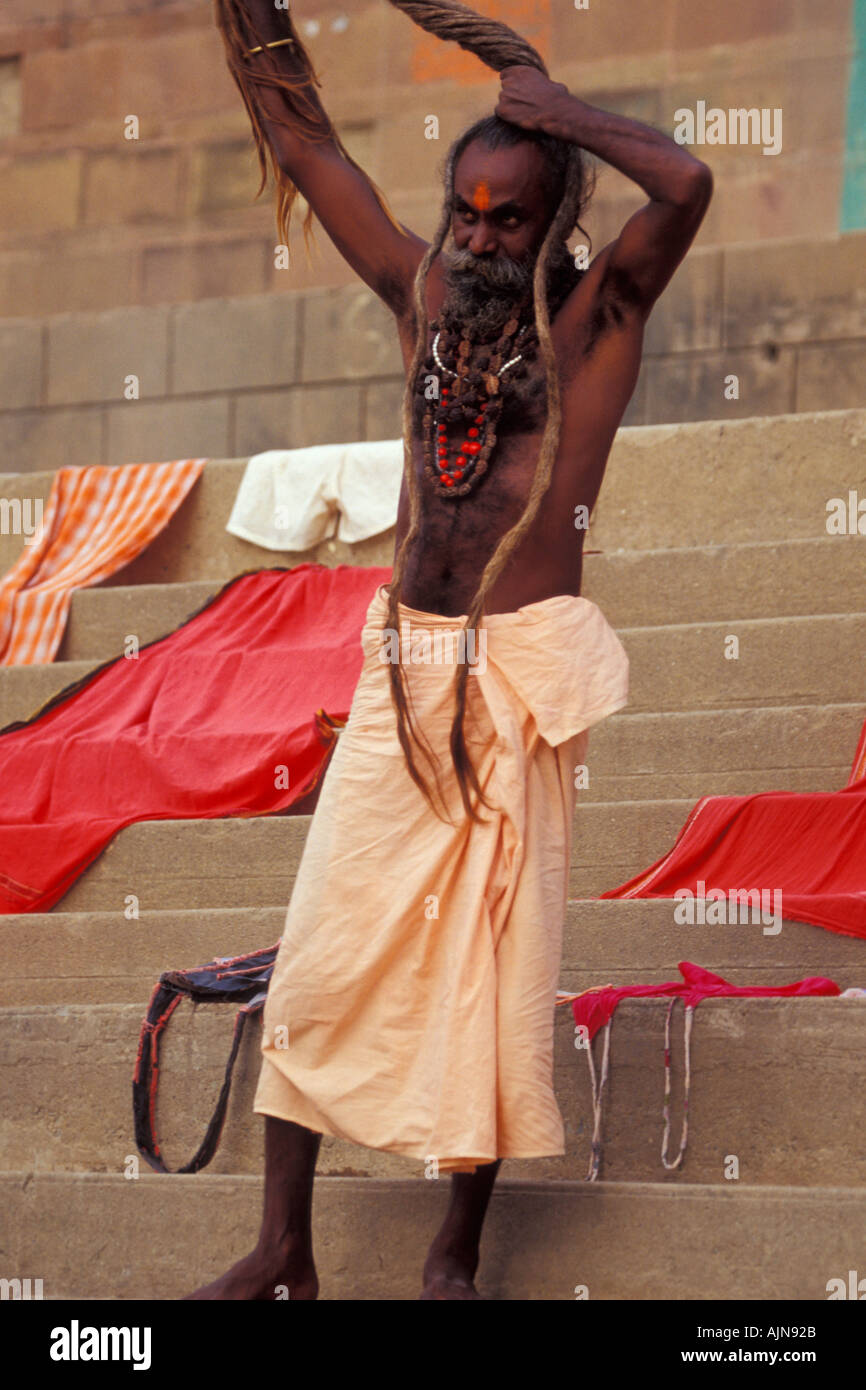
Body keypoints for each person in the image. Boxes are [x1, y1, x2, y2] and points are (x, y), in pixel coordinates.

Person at [192, 0, 713, 1300]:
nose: (480, 237)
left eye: (510, 216)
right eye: (466, 211)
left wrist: (561, 112)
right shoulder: (423, 293)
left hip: (516, 678)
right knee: (319, 948)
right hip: (398, 673)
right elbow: (305, 144)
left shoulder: (599, 317)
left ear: (556, 219)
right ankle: (282, 1249)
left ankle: (453, 1254)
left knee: (488, 973)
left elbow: (688, 180)